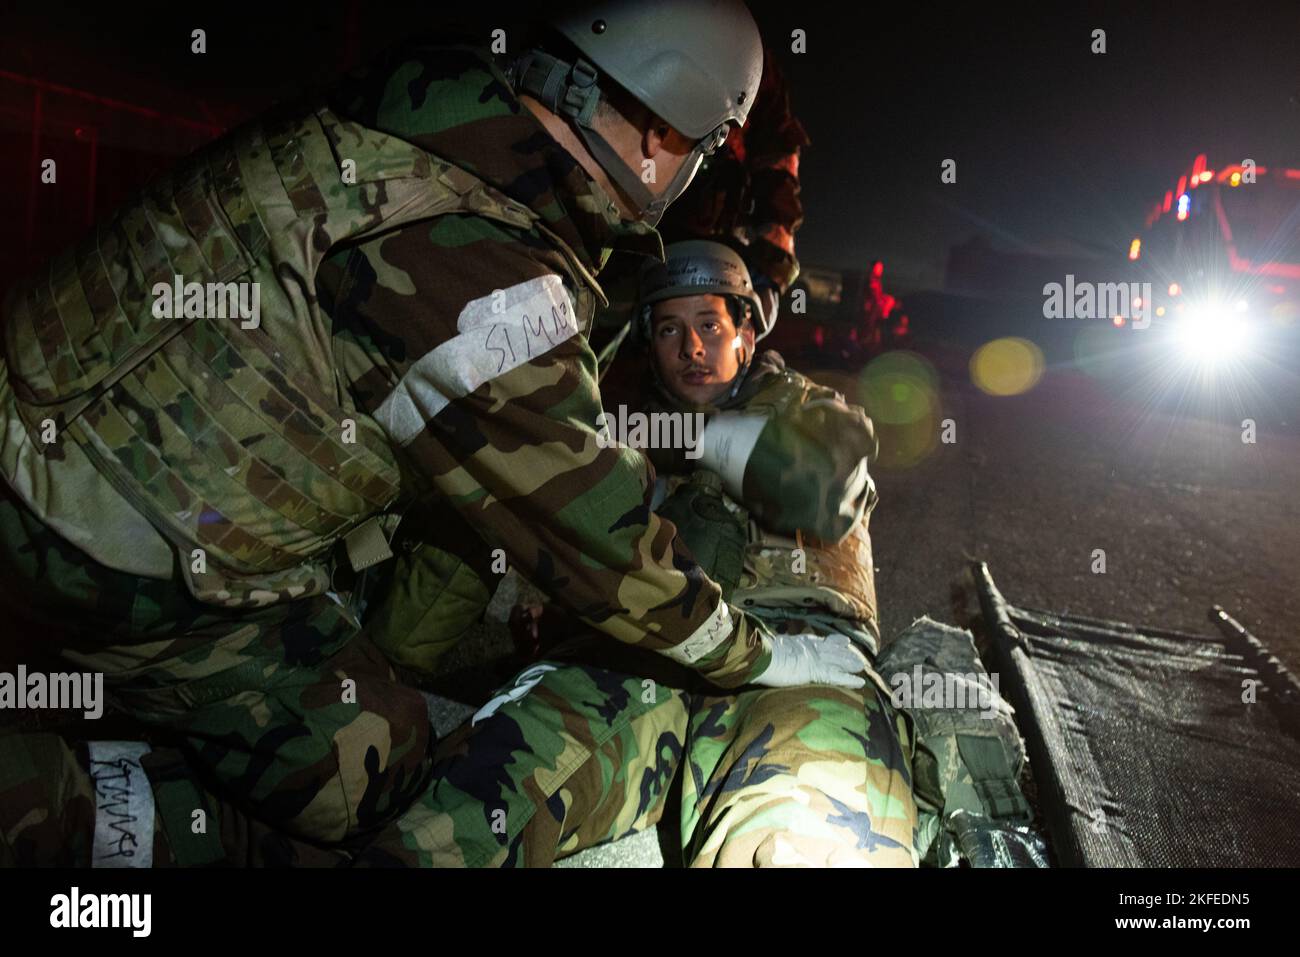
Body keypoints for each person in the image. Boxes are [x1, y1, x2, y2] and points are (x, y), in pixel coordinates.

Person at [0, 1, 865, 867]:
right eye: (704, 148)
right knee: (368, 765)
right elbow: (599, 537)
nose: (692, 347)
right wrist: (758, 658)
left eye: (714, 327)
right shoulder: (485, 257)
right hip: (103, 541)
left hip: (63, 430)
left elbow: (554, 425)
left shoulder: (426, 119)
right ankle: (60, 805)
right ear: (653, 133)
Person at [358, 240, 917, 867]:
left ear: (747, 338)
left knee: (806, 836)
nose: (692, 349)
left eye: (710, 325)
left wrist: (685, 442)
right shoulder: (616, 442)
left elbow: (822, 485)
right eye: (670, 330)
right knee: (484, 784)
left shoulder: (807, 406)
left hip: (799, 654)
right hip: (652, 655)